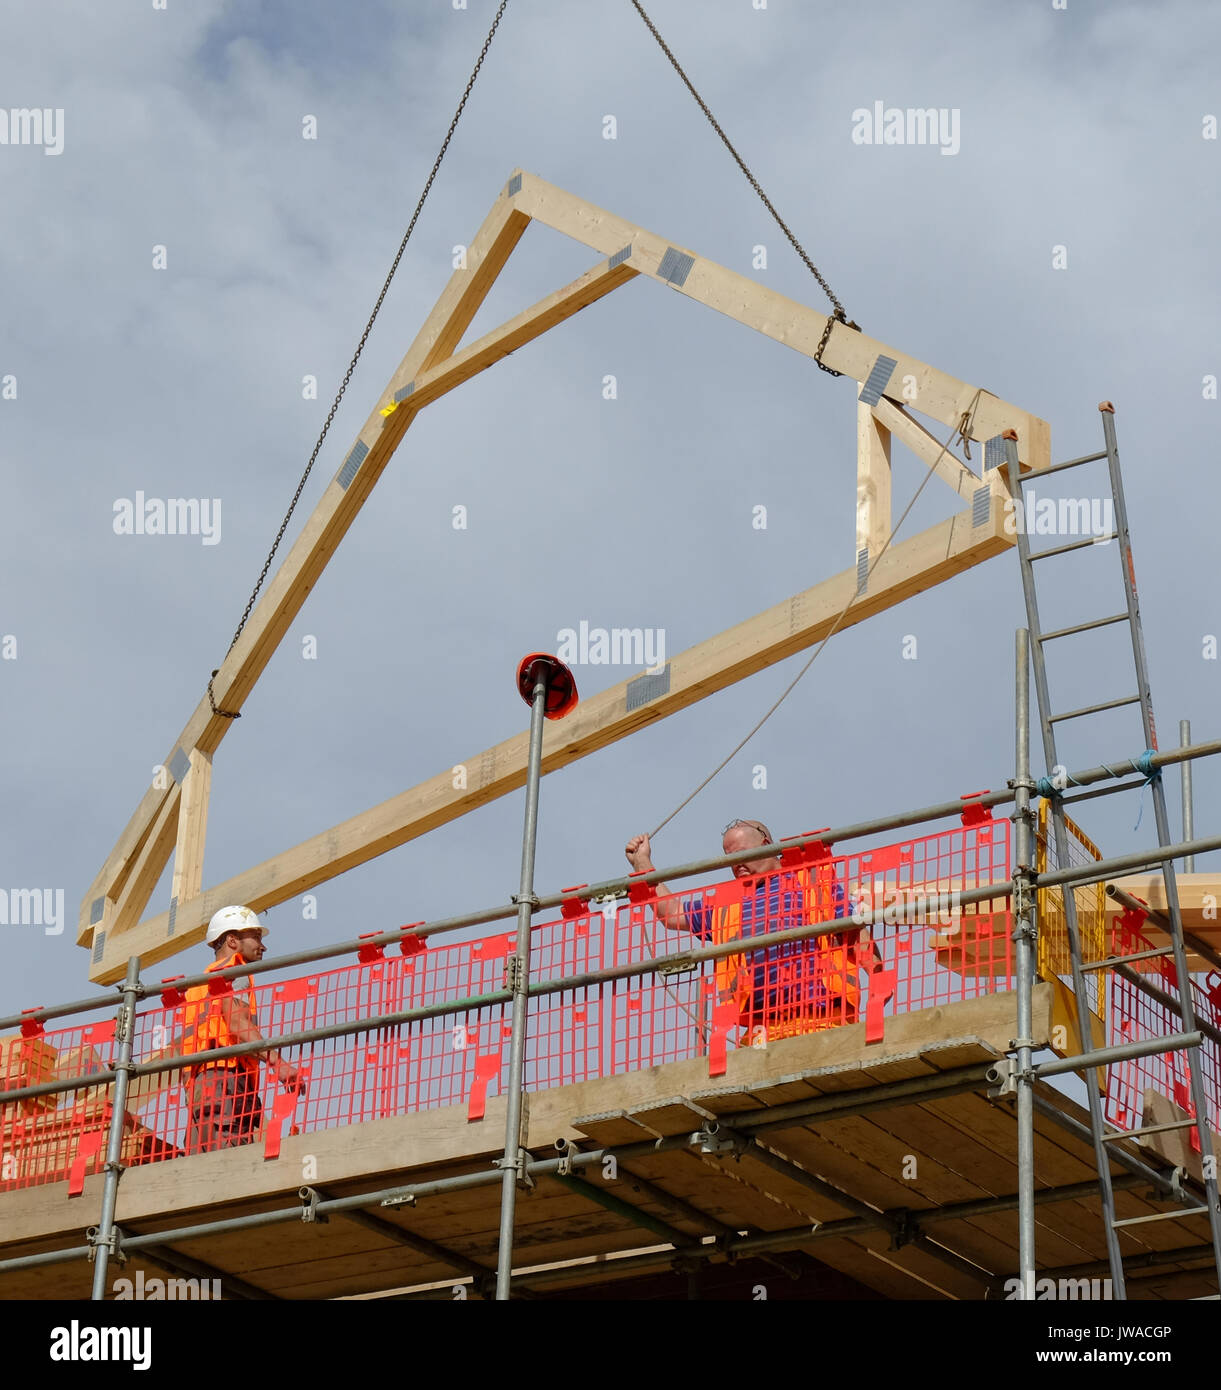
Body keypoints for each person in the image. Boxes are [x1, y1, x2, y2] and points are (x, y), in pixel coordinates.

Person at [624, 820, 873, 1041]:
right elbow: (671, 914)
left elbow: (853, 930)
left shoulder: (808, 880)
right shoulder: (730, 902)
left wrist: (879, 978)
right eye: (729, 856)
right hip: (764, 1029)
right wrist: (643, 863)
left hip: (823, 1020)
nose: (736, 863)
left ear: (766, 844)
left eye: (741, 853)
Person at [180, 905, 302, 1154]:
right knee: (230, 1159)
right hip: (227, 1079)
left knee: (202, 1161)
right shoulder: (235, 970)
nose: (263, 946)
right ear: (233, 940)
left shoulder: (200, 982)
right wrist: (279, 1064)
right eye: (255, 937)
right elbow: (237, 1023)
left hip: (203, 1086)